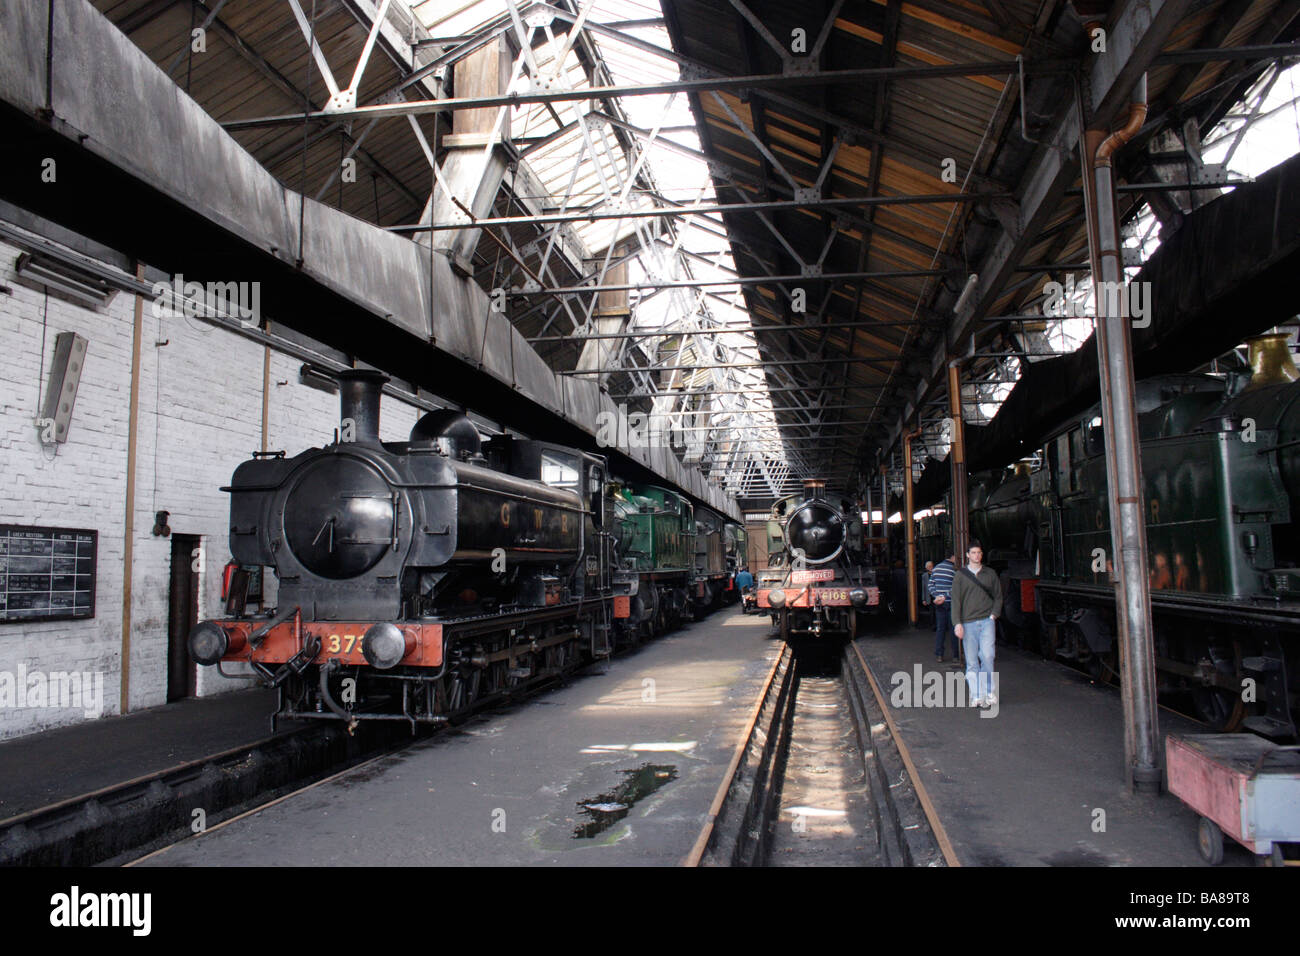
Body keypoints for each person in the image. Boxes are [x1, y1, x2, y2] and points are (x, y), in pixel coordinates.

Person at [950, 540, 1003, 708]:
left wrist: (994, 615)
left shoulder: (990, 574)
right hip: (968, 623)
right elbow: (956, 601)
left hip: (987, 621)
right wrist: (957, 623)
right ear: (967, 555)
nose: (977, 556)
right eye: (973, 553)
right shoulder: (960, 575)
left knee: (987, 655)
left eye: (979, 553)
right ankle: (976, 694)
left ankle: (989, 691)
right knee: (972, 661)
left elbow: (998, 596)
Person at [927, 553, 958, 664]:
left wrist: (937, 596)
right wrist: (945, 596)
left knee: (940, 629)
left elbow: (930, 585)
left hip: (939, 603)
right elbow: (956, 587)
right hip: (951, 603)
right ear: (953, 557)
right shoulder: (954, 569)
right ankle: (956, 655)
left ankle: (939, 655)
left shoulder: (936, 568)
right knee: (954, 629)